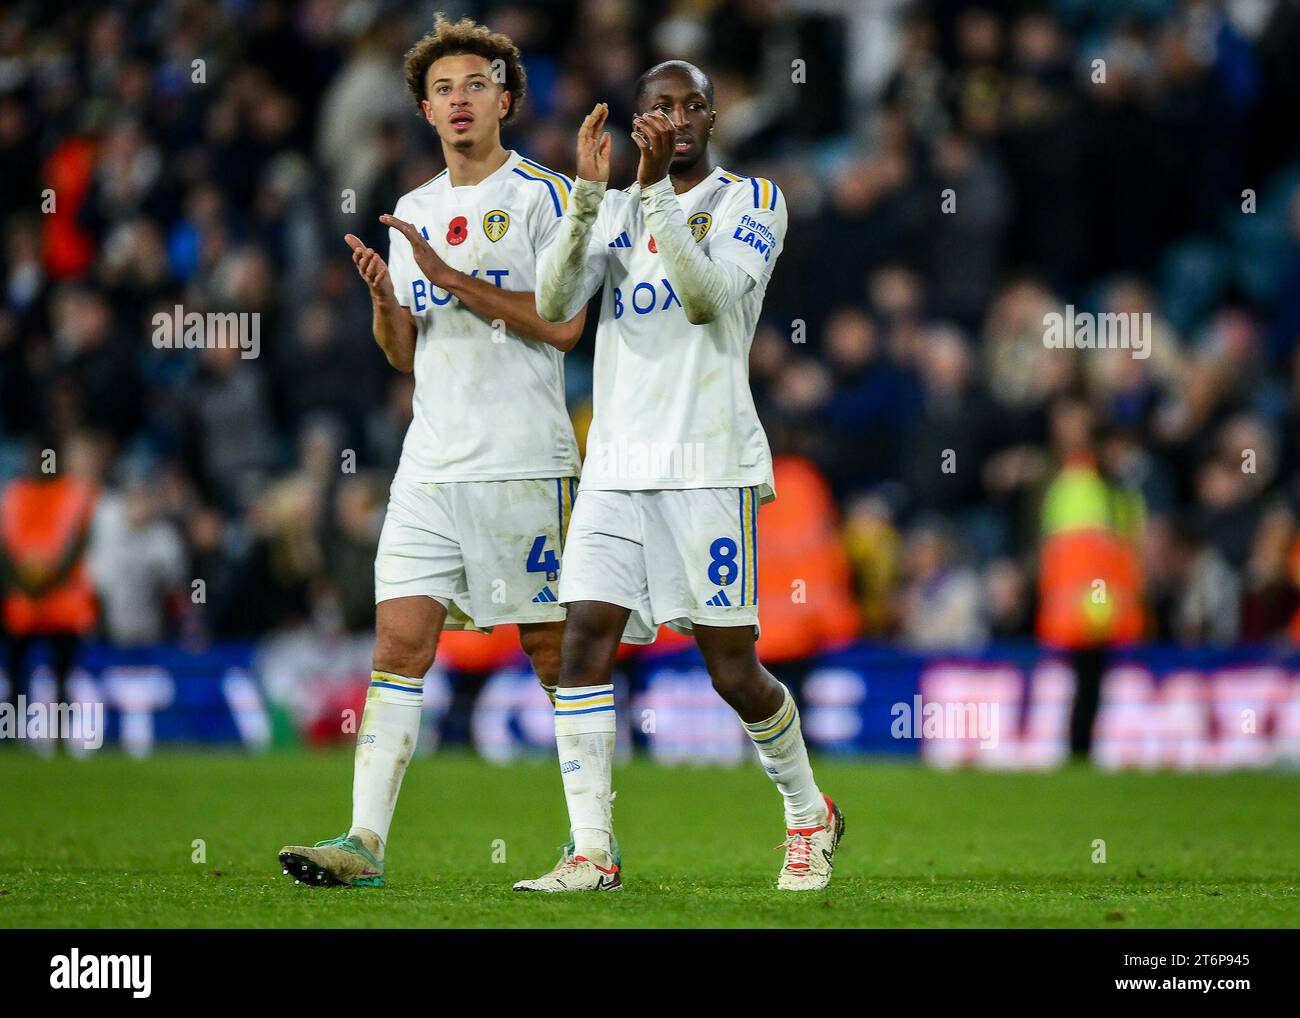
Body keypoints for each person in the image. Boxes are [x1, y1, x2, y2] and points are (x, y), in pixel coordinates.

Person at [513, 61, 844, 893]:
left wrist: (655, 192)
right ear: (637, 120)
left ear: (714, 115)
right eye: (661, 105)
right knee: (580, 640)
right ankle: (593, 851)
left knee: (731, 667)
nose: (679, 116)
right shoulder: (616, 207)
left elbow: (706, 300)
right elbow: (555, 306)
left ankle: (810, 814)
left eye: (694, 103)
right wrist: (592, 196)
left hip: (707, 463)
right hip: (617, 464)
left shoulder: (754, 202)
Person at [278, 16, 587, 888]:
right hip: (430, 463)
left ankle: (591, 844)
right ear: (423, 107)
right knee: (398, 645)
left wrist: (454, 281)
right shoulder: (411, 208)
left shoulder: (547, 197)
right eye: (444, 88)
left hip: (525, 458)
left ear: (507, 100)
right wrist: (386, 301)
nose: (460, 100)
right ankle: (362, 841)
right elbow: (405, 354)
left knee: (554, 652)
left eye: (476, 85)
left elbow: (563, 326)